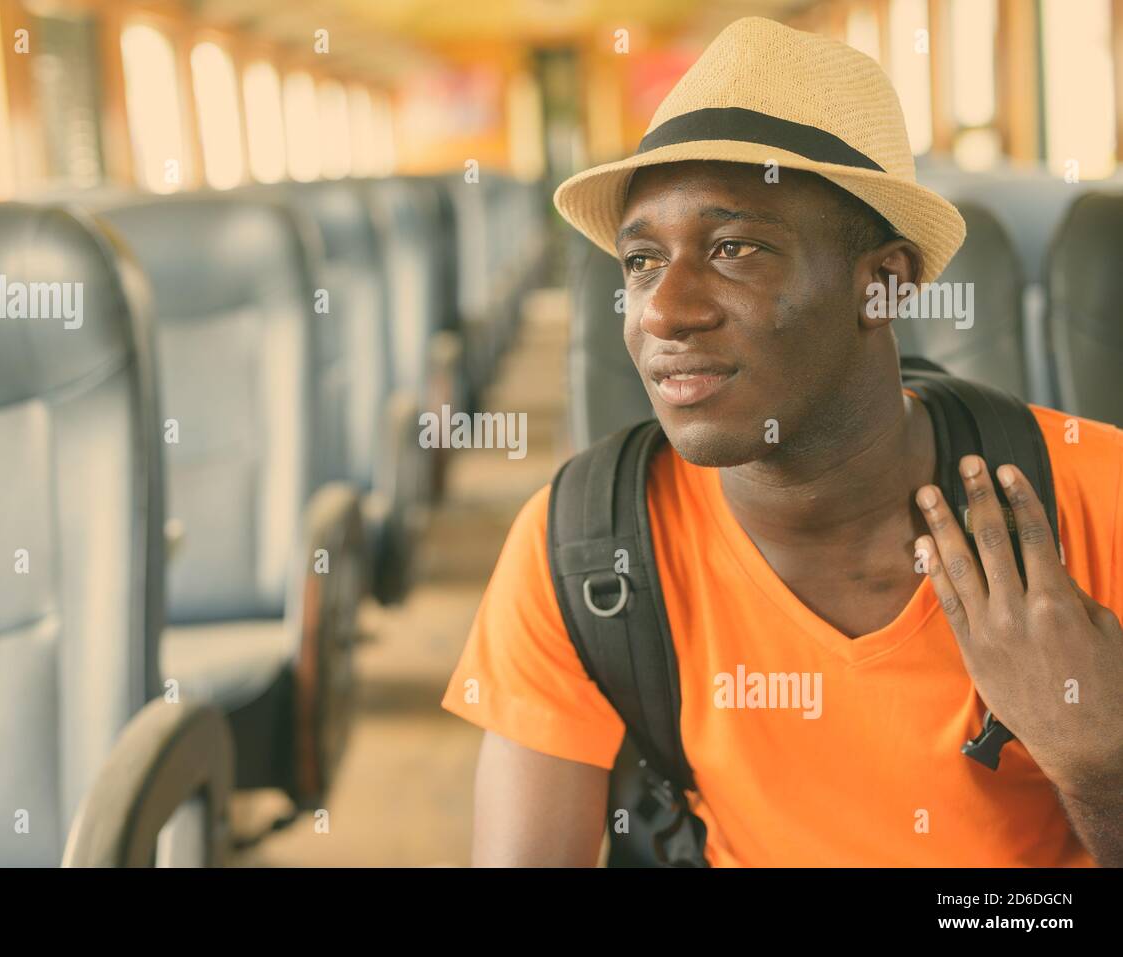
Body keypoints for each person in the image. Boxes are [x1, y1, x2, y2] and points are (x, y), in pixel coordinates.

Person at [441, 16, 1123, 867]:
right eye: (642, 262)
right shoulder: (581, 549)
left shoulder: (1099, 504)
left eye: (734, 248)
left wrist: (1099, 763)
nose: (662, 310)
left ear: (884, 283)